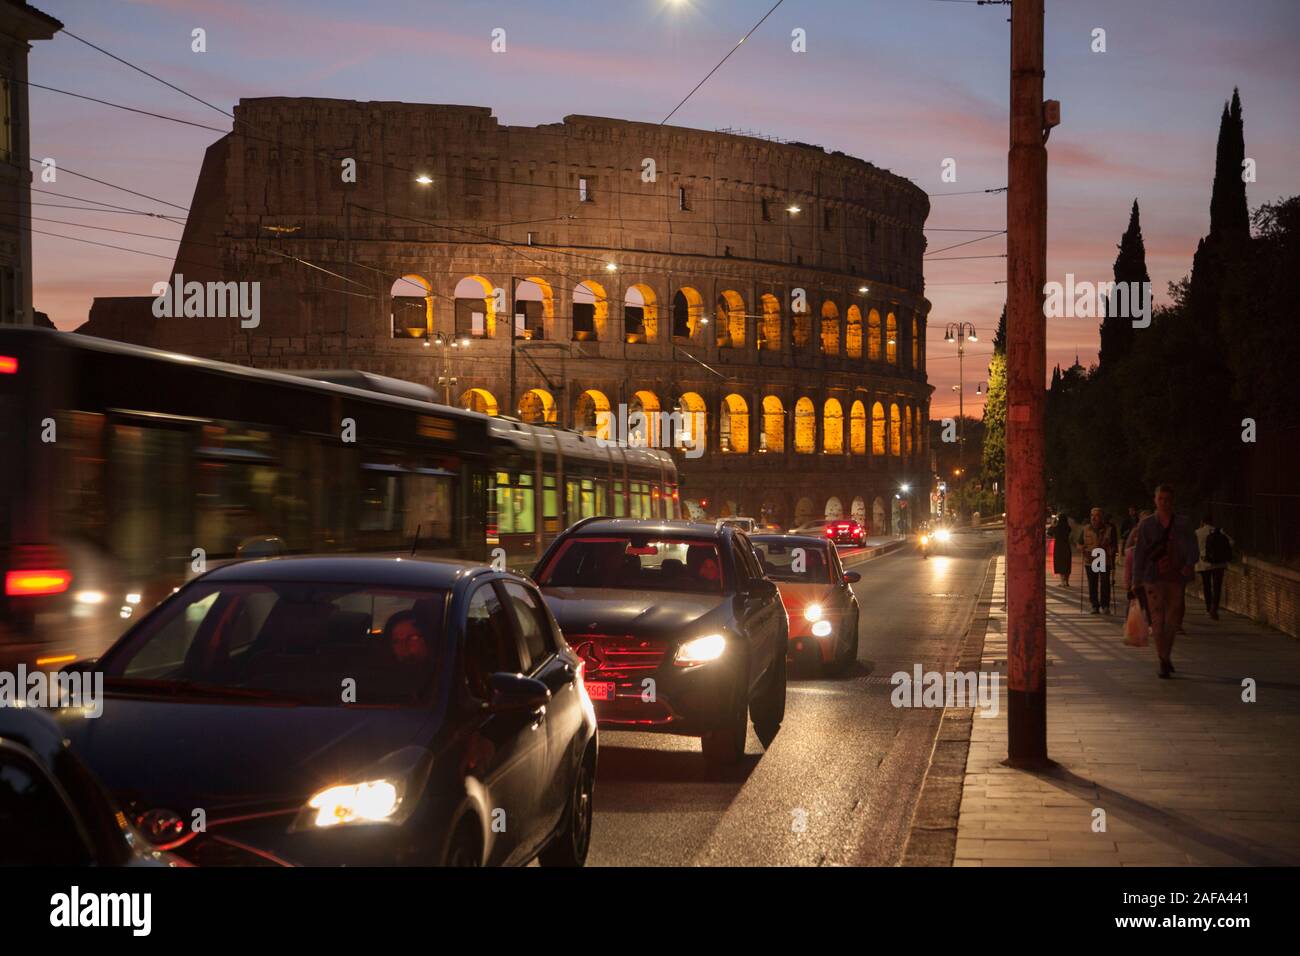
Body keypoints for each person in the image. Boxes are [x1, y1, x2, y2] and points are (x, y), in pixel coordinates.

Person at [1132, 485, 1198, 679]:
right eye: (1161, 498)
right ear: (1155, 500)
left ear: (1173, 500)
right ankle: (1163, 658)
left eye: (1167, 499)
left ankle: (1165, 656)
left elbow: (1193, 548)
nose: (1164, 502)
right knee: (1158, 619)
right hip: (1153, 577)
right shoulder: (1147, 525)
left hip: (1176, 577)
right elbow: (1140, 554)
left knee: (1172, 620)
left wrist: (1189, 563)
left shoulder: (1183, 524)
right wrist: (1136, 580)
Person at [1195, 514, 1234, 621]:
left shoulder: (1198, 532)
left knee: (1207, 587)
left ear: (1202, 521)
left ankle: (1208, 609)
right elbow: (1231, 542)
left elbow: (1193, 546)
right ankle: (1214, 608)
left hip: (1204, 564)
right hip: (1219, 563)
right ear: (1212, 522)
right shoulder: (1219, 531)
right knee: (1217, 587)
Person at [1080, 507, 1117, 613]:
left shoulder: (1109, 529)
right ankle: (1094, 605)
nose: (1094, 518)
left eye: (1096, 516)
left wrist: (1112, 551)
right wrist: (1081, 548)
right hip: (1090, 560)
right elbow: (1079, 542)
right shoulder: (1086, 529)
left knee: (1105, 582)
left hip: (1104, 559)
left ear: (1101, 517)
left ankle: (1105, 605)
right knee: (1092, 583)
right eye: (1092, 515)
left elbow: (1114, 545)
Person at [1050, 513, 1074, 587]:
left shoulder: (1057, 528)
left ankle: (1062, 581)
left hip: (1058, 547)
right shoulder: (1068, 528)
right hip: (1066, 546)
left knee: (1060, 564)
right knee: (1067, 564)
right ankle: (1066, 581)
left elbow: (1049, 532)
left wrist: (1053, 523)